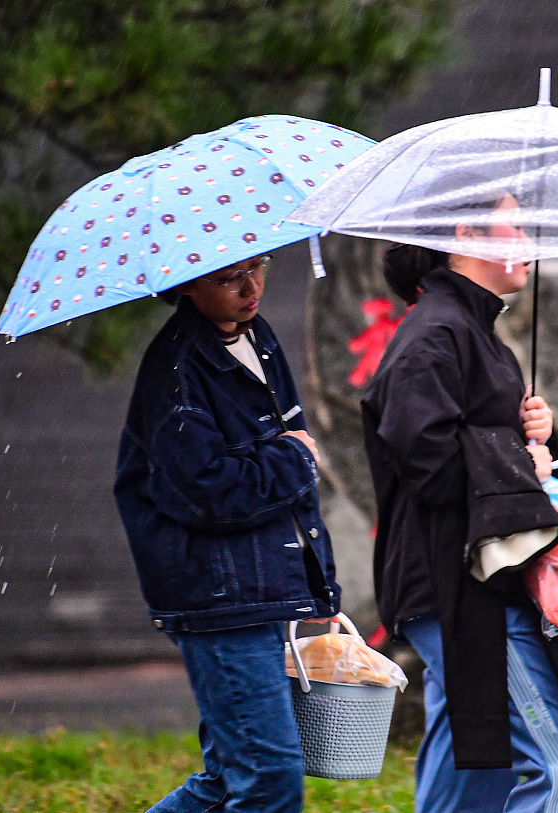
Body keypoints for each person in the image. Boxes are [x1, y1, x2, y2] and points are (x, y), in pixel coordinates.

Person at [360, 193, 558, 812]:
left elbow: (482, 451)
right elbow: (429, 462)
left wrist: (541, 440)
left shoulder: (470, 331)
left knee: (475, 775)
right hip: (459, 588)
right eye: (514, 223)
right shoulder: (434, 336)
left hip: (474, 581)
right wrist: (519, 463)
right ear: (466, 233)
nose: (527, 240)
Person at [114, 253, 340, 813]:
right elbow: (206, 490)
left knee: (229, 780)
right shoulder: (176, 370)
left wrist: (316, 585)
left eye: (258, 267)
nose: (250, 286)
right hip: (221, 599)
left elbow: (288, 464)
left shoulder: (256, 336)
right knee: (269, 778)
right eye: (229, 278)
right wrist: (294, 459)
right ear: (186, 285)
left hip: (258, 587)